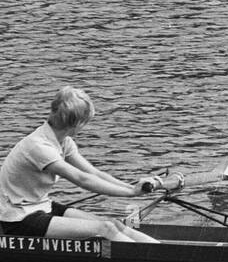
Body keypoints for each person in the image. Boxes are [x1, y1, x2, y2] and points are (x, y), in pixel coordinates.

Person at [0, 87, 160, 244]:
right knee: (105, 228)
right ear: (76, 123)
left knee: (115, 224)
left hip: (40, 206)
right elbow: (82, 179)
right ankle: (149, 260)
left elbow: (94, 173)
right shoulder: (39, 147)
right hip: (17, 219)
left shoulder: (63, 142)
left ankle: (159, 251)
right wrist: (130, 193)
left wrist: (132, 188)